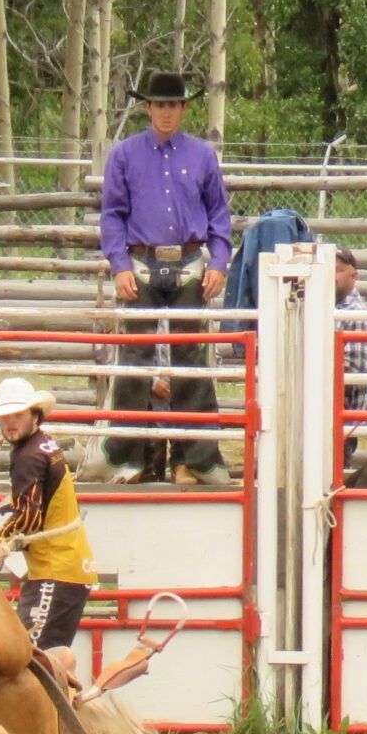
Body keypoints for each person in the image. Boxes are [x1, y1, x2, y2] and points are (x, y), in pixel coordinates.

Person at [98, 70, 232, 487]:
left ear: (184, 109)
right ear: (148, 108)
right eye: (159, 105)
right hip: (139, 263)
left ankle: (197, 459)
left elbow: (219, 217)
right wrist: (118, 264)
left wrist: (219, 262)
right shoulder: (124, 155)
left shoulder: (203, 157)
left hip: (190, 261)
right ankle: (126, 458)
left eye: (173, 105)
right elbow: (112, 214)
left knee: (192, 359)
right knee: (135, 360)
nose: (166, 113)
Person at [0, 376, 97, 651]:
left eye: (18, 415)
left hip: (55, 571)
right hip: (68, 567)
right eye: (5, 416)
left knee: (30, 658)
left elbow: (29, 520)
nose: (10, 423)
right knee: (47, 655)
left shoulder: (27, 458)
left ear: (35, 415)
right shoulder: (44, 445)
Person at [334, 247, 367, 465]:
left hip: (340, 414)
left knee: (333, 464)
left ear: (354, 276)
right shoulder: (328, 307)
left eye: (338, 270)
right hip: (328, 410)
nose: (332, 276)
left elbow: (353, 377)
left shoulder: (356, 315)